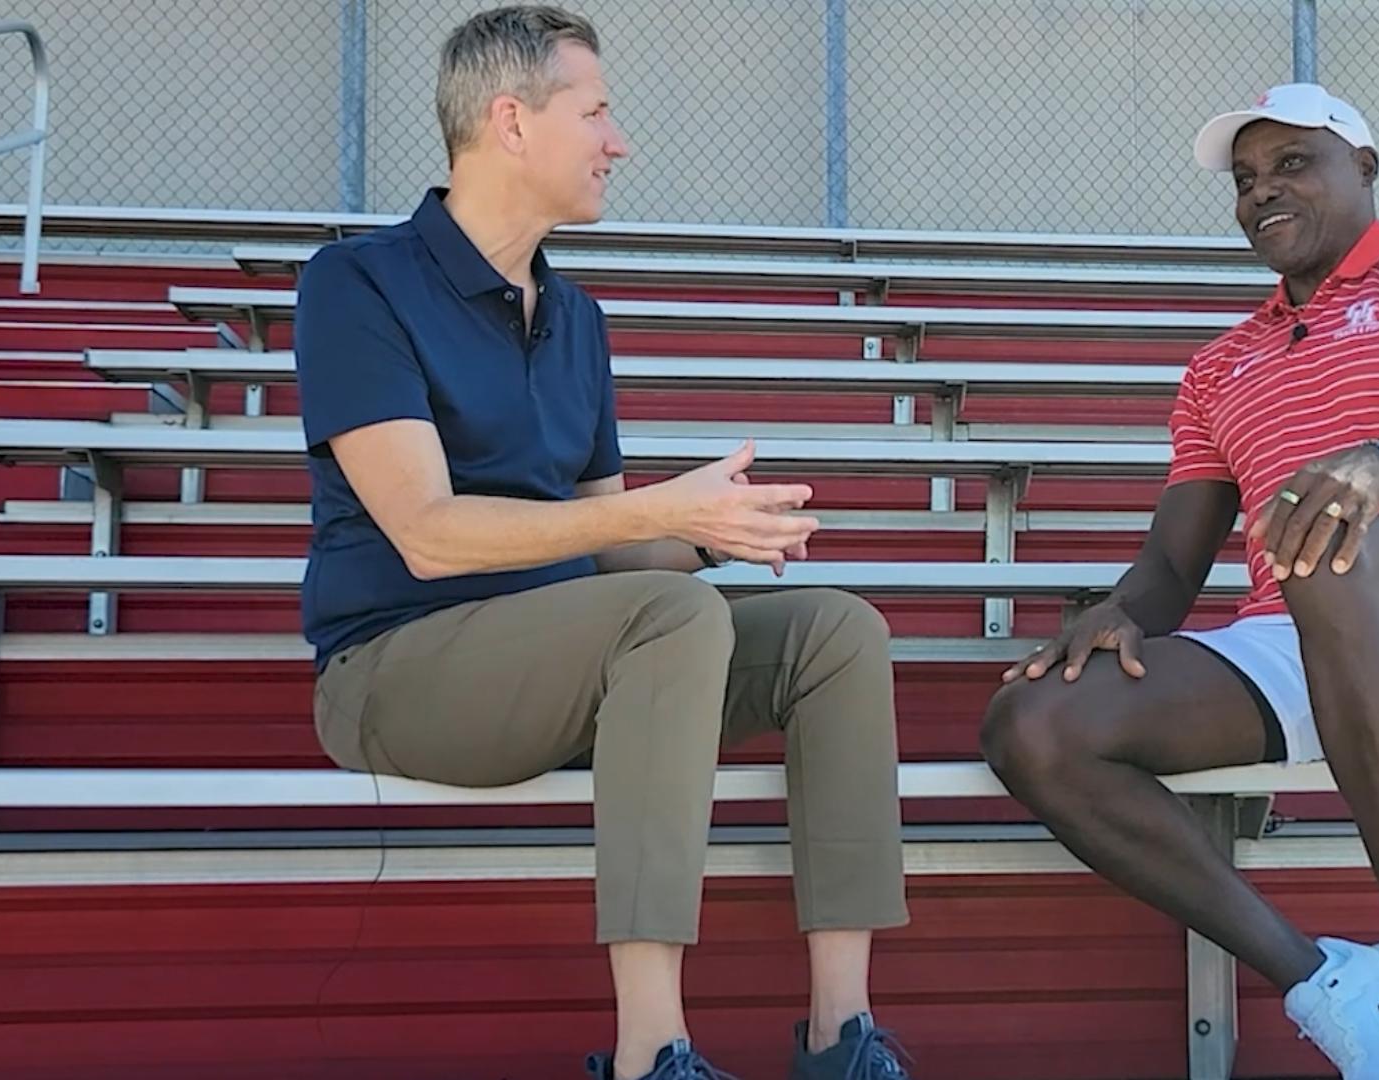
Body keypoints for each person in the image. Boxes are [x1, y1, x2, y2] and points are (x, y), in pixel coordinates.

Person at [290, 8, 913, 1078]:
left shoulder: (575, 316)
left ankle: (840, 1039)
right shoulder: (357, 285)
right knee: (667, 616)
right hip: (399, 668)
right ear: (512, 123)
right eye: (598, 112)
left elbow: (619, 554)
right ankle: (649, 1050)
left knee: (836, 633)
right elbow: (428, 536)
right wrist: (660, 518)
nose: (618, 142)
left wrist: (715, 533)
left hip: (577, 656)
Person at [981, 83, 1379, 1080]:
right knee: (1034, 723)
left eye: (1293, 163)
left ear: (1365, 170)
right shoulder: (1219, 365)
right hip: (1295, 629)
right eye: (1247, 180)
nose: (1263, 192)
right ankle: (1326, 986)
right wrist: (1115, 616)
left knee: (1333, 538)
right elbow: (1174, 563)